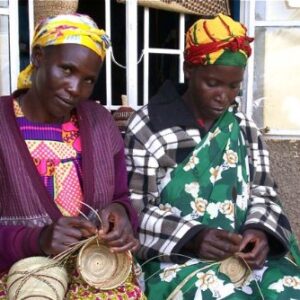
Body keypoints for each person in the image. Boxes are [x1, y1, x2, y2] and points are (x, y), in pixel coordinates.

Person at [125, 13, 300, 299]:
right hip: (177, 259)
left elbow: (264, 191)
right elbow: (135, 208)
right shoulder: (149, 126)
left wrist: (259, 232)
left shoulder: (243, 127)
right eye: (213, 83)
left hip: (244, 260)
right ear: (188, 70)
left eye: (234, 87)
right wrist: (194, 238)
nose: (224, 96)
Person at [0, 14, 144, 299]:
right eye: (67, 70)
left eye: (88, 80)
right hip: (17, 273)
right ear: (38, 57)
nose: (76, 89)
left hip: (96, 269)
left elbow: (121, 198)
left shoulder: (100, 122)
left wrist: (120, 215)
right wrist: (36, 239)